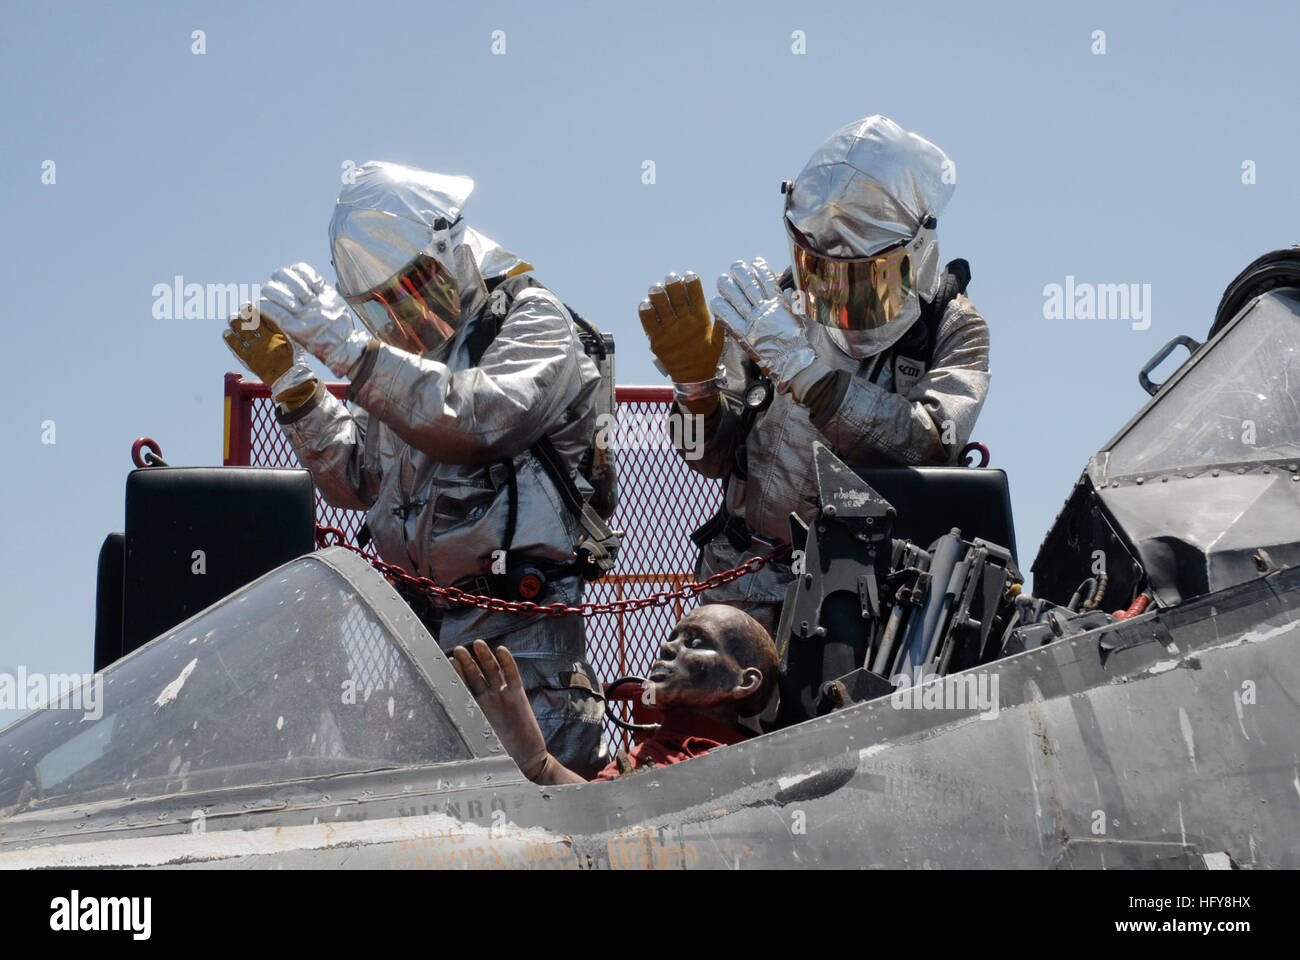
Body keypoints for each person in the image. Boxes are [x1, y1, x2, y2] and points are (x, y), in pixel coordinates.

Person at [221, 161, 608, 777]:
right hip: (421, 637)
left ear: (449, 247)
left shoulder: (532, 319)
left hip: (522, 640)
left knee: (539, 821)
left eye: (408, 290)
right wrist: (296, 387)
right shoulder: (401, 362)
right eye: (381, 306)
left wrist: (353, 353)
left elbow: (478, 420)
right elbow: (356, 480)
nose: (400, 316)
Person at [639, 115, 991, 638]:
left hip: (865, 600)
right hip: (738, 583)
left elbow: (929, 444)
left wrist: (807, 374)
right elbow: (705, 459)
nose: (832, 296)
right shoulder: (771, 305)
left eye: (857, 281)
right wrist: (694, 393)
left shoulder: (953, 327)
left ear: (913, 254)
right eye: (818, 272)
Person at [450, 605, 778, 783]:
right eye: (674, 636)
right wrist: (536, 762)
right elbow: (607, 817)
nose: (667, 646)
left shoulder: (753, 768)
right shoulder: (645, 755)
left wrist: (541, 766)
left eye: (695, 642)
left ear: (744, 682)